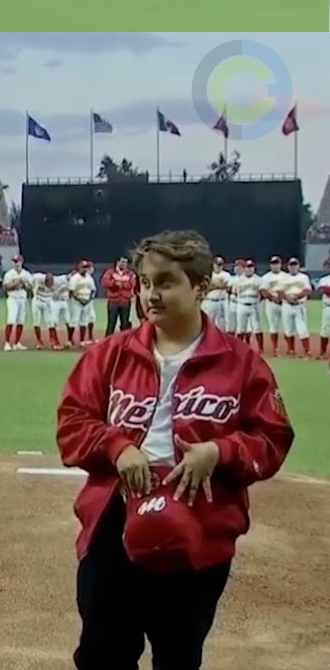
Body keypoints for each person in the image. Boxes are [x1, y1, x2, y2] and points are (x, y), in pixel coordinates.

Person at [57, 229, 294, 670]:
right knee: (102, 654)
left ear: (201, 286)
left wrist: (220, 452)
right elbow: (71, 423)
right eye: (146, 283)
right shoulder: (109, 355)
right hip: (115, 522)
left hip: (199, 526)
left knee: (179, 656)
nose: (151, 294)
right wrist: (116, 446)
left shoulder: (241, 364)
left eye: (166, 282)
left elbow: (273, 437)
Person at [101, 256, 135, 336]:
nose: (123, 264)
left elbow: (132, 284)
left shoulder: (130, 273)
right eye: (122, 262)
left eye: (125, 262)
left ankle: (124, 343)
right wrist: (114, 283)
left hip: (125, 301)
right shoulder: (110, 272)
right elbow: (105, 282)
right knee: (111, 324)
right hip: (113, 301)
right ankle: (107, 343)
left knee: (125, 324)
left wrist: (121, 284)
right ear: (117, 262)